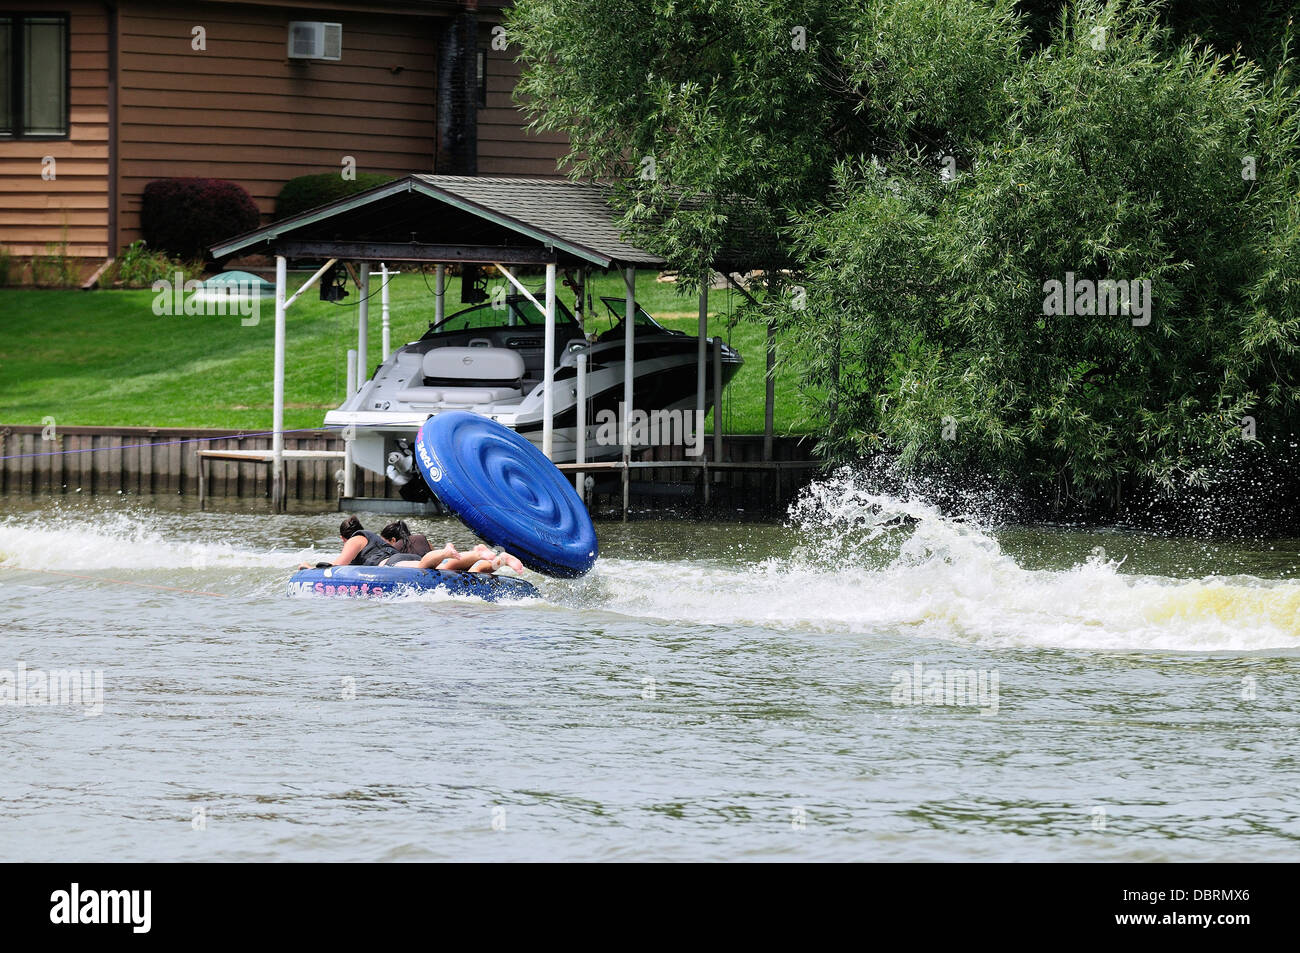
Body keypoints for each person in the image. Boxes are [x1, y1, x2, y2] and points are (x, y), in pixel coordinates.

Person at [297, 516, 457, 570]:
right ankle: (476, 554)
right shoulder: (373, 539)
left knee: (423, 565)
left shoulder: (354, 540)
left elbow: (337, 566)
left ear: (343, 539)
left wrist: (311, 568)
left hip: (391, 563)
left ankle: (446, 551)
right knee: (440, 566)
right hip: (402, 557)